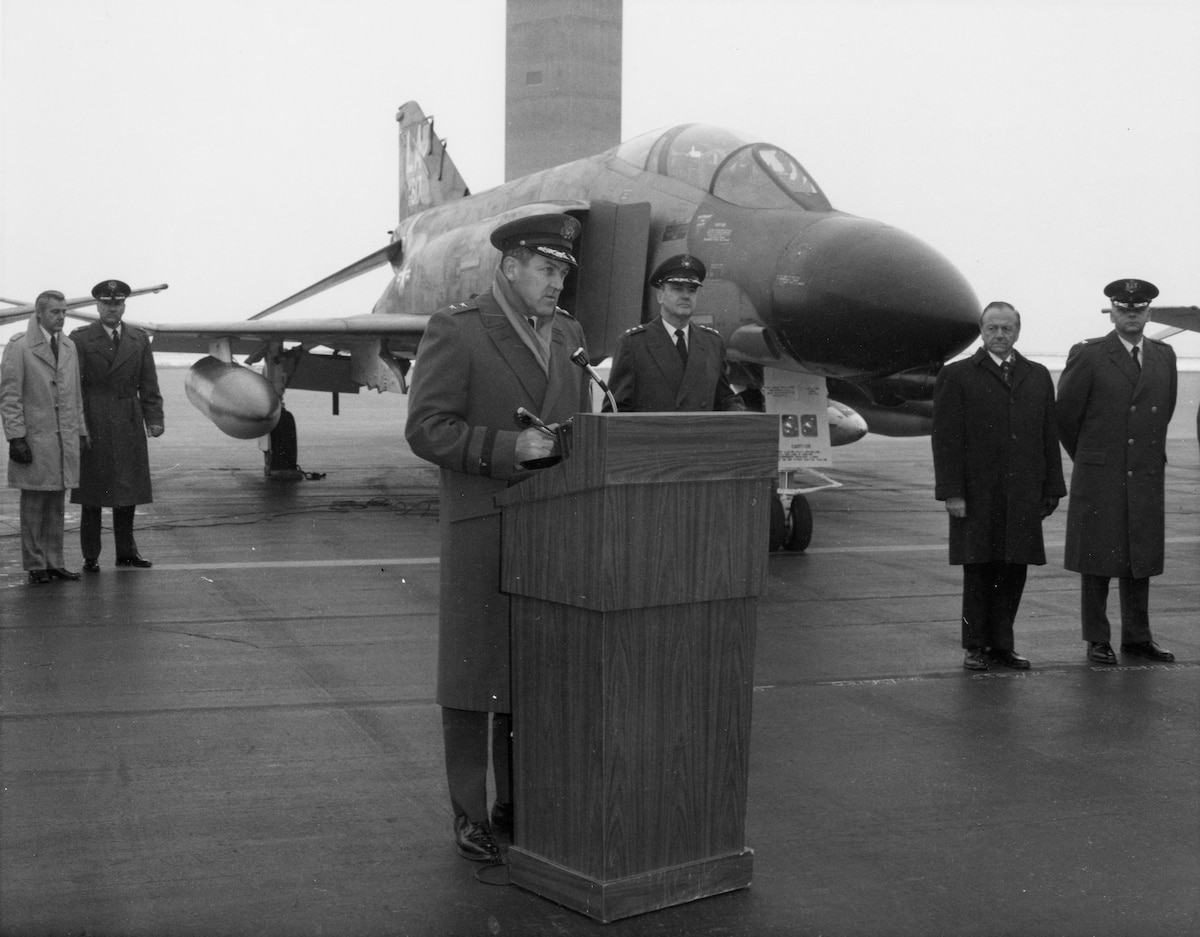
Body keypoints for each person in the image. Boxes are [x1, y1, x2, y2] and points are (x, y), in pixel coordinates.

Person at [404, 213, 592, 862]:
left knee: (529, 678)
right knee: (472, 679)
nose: (556, 282)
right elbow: (426, 429)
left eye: (563, 271)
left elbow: (583, 424)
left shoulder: (569, 335)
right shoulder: (457, 331)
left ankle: (518, 801)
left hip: (549, 533)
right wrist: (513, 448)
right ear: (510, 265)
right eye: (546, 268)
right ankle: (469, 812)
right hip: (484, 527)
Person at [932, 302, 1065, 670]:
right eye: (992, 328)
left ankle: (1002, 645)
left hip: (1022, 493)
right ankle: (975, 646)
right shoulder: (957, 375)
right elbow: (945, 439)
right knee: (978, 569)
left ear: (1018, 332)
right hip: (976, 494)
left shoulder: (1037, 375)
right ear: (982, 330)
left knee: (1013, 569)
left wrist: (1052, 488)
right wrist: (951, 491)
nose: (1000, 335)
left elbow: (1047, 435)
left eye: (1007, 328)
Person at [1057, 278, 1177, 664]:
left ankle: (1138, 637)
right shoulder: (1089, 354)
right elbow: (1066, 417)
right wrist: (1092, 458)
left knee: (1138, 556)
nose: (1132, 314)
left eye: (1138, 308)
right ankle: (1097, 638)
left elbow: (1164, 412)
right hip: (1101, 473)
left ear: (1149, 312)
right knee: (1097, 559)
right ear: (1112, 311)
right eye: (1124, 308)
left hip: (1143, 471)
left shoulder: (1164, 355)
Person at [70, 279, 164, 571]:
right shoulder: (81, 339)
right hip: (95, 419)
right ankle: (91, 556)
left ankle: (126, 552)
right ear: (97, 306)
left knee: (127, 490)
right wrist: (79, 426)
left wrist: (154, 418)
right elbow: (75, 387)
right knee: (93, 493)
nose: (112, 308)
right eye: (107, 304)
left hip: (128, 419)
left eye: (118, 303)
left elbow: (149, 382)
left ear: (124, 305)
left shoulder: (138, 338)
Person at [1, 291, 88, 584]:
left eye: (64, 312)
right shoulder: (19, 347)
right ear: (39, 313)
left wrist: (82, 431)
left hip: (63, 440)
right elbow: (10, 397)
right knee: (34, 504)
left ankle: (55, 561)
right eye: (55, 312)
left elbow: (74, 394)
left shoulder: (69, 346)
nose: (62, 317)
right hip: (35, 440)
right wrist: (16, 438)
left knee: (56, 503)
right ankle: (36, 564)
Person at [604, 254, 745, 412]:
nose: (685, 296)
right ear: (660, 296)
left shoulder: (712, 343)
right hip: (655, 435)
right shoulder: (634, 344)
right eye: (677, 289)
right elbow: (615, 409)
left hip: (700, 434)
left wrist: (742, 415)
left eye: (691, 290)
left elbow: (723, 398)